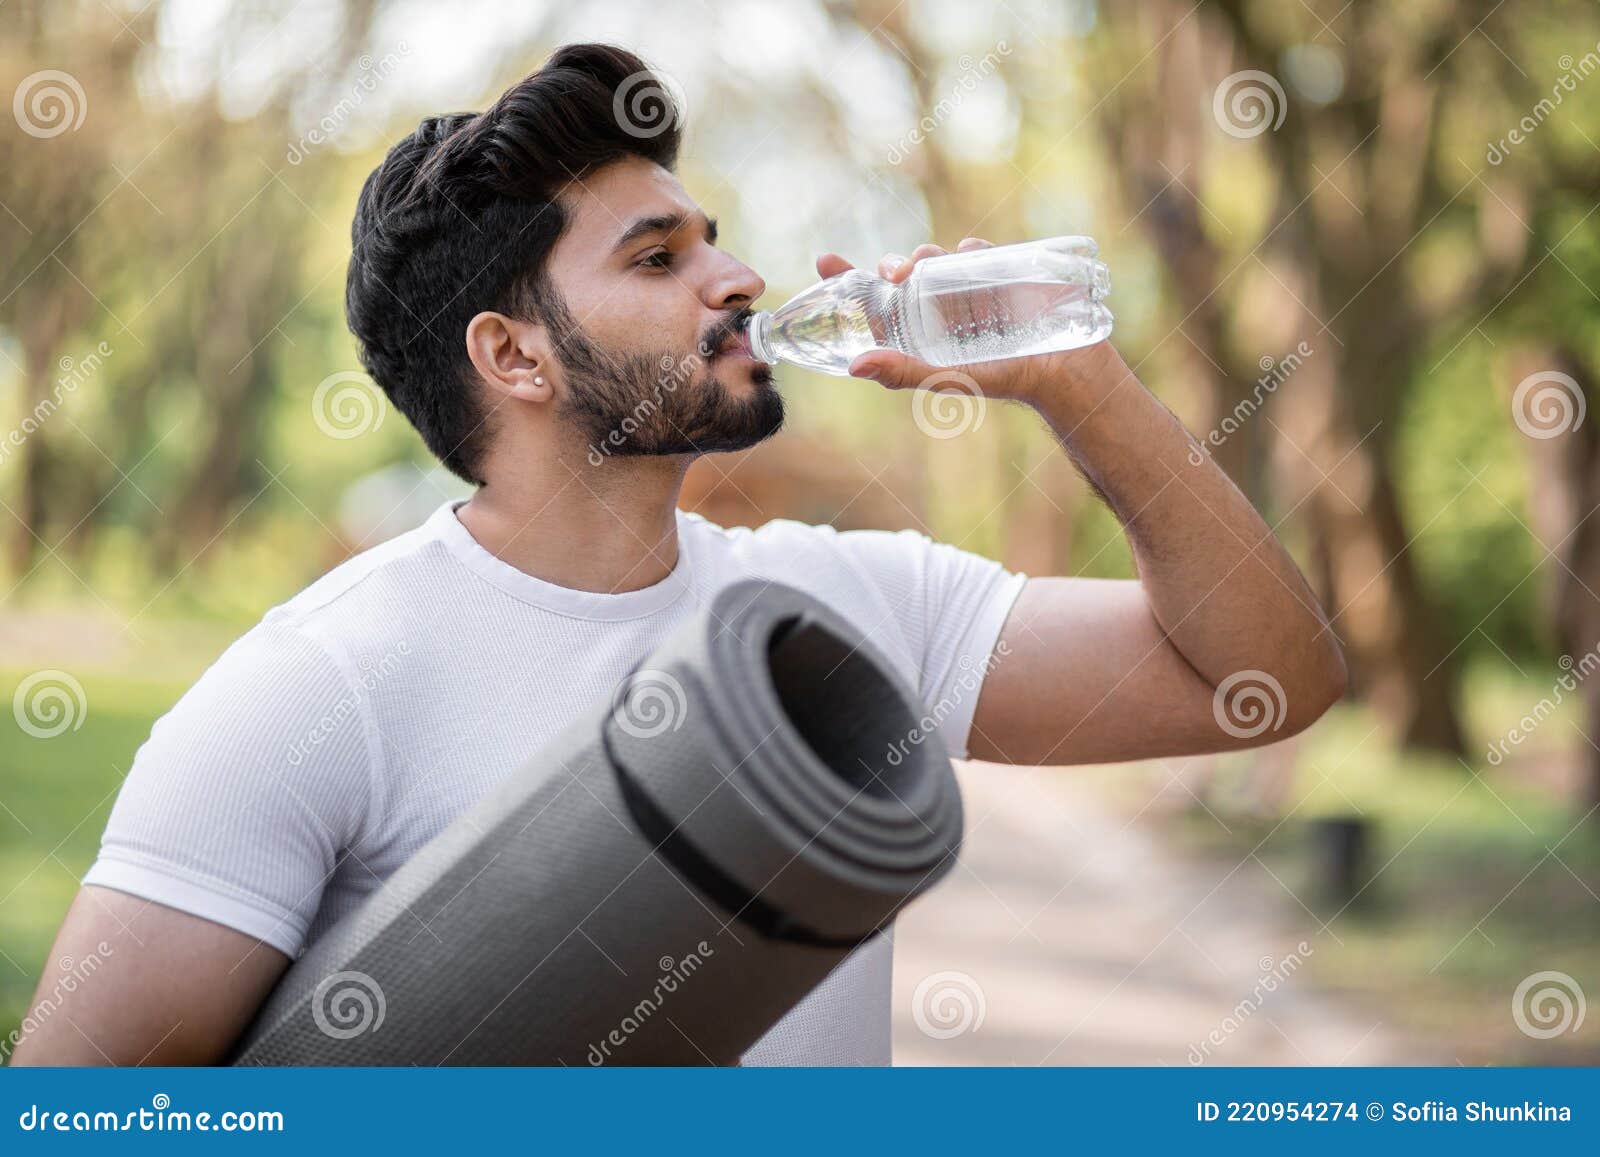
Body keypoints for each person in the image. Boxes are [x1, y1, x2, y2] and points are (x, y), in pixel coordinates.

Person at [11, 43, 1345, 1066]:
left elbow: (1265, 681)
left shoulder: (846, 604)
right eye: (660, 256)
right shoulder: (320, 685)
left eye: (711, 237)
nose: (741, 277)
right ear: (512, 352)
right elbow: (76, 1100)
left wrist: (1083, 389)